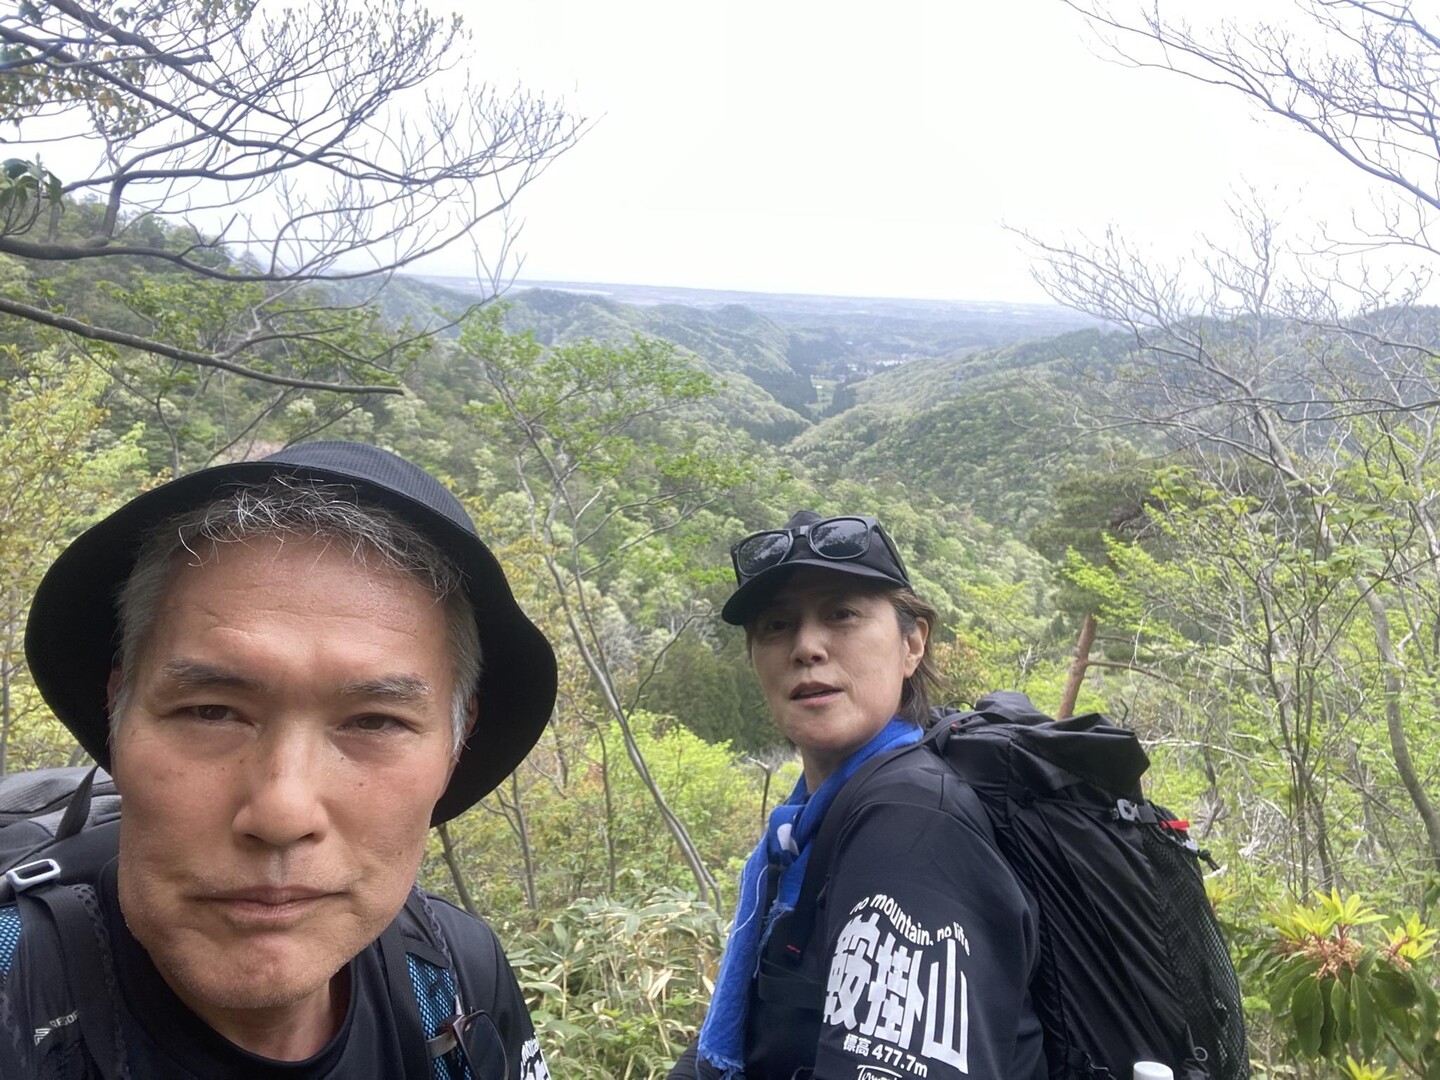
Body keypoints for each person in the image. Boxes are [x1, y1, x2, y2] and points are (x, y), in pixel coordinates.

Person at [3, 441, 557, 1079]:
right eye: (210, 711)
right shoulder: (14, 984)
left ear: (455, 745)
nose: (281, 812)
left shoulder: (457, 975)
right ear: (117, 712)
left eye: (375, 721)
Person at [669, 511, 1045, 1080]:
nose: (806, 647)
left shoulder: (911, 825)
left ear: (912, 644)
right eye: (775, 625)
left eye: (841, 614)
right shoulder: (804, 830)